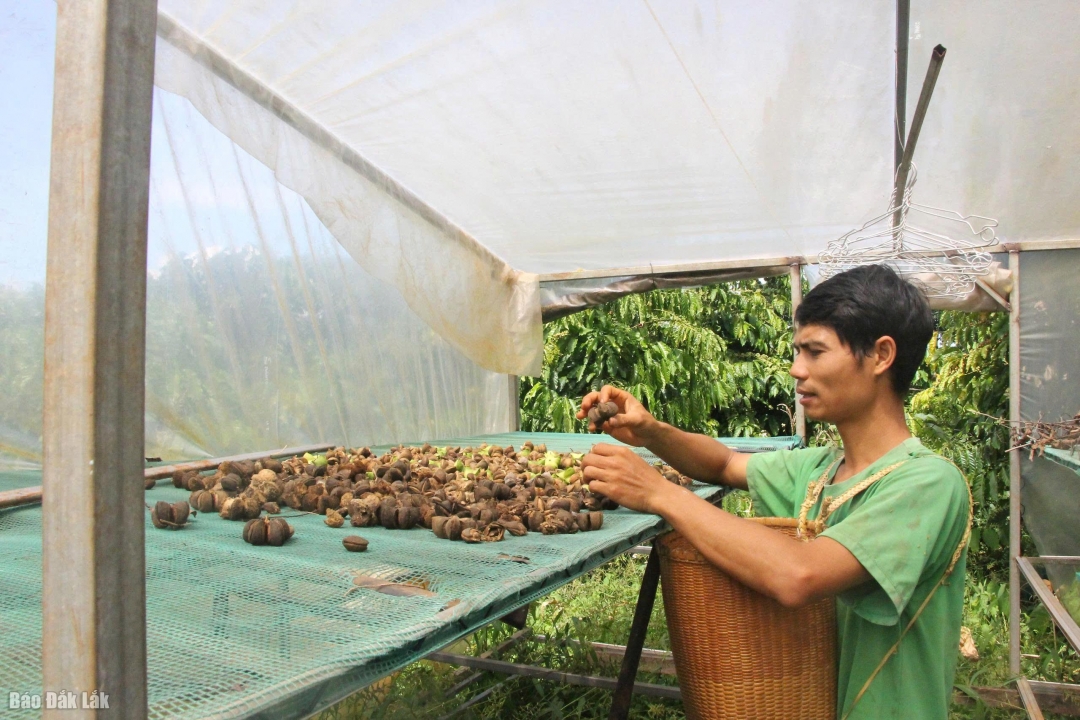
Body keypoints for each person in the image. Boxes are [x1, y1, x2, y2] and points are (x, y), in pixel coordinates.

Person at [579, 264, 971, 720]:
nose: (796, 369)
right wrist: (651, 431)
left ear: (881, 355)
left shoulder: (928, 484)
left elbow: (798, 575)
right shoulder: (822, 470)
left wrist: (659, 493)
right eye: (797, 351)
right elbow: (724, 463)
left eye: (815, 352)